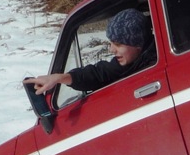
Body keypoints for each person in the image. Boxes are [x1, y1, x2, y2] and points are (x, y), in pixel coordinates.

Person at [24, 8, 154, 95]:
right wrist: (59, 78)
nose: (111, 49)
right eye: (111, 43)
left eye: (118, 44)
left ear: (138, 43)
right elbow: (99, 73)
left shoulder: (154, 62)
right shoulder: (131, 62)